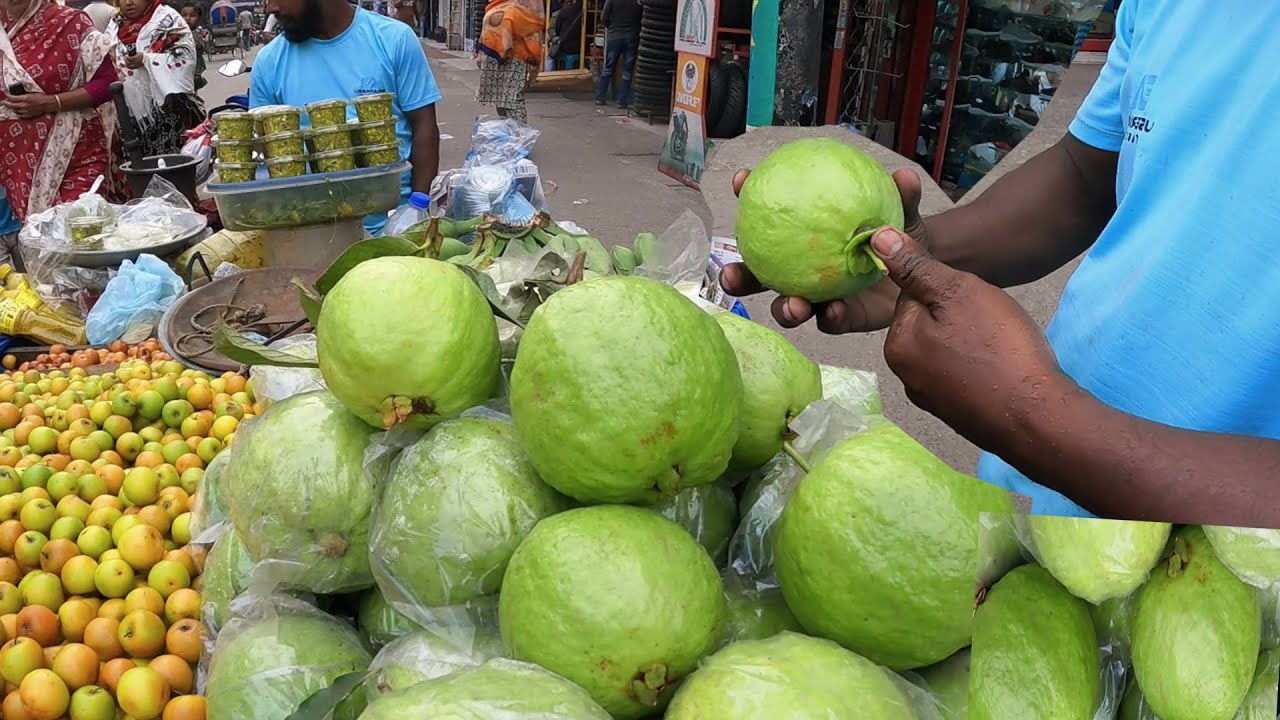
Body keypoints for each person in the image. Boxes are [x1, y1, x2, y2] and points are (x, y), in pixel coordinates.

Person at [721, 2, 1280, 529]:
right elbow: (1084, 178)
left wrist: (1039, 419)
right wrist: (916, 255)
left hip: (1224, 579)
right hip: (1038, 503)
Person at [252, 0, 441, 236]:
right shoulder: (269, 62)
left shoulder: (393, 39)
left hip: (392, 225)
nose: (271, 8)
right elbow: (263, 155)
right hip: (310, 229)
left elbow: (424, 126)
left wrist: (417, 209)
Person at [0, 0, 119, 222]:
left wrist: (50, 103)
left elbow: (108, 83)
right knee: (40, 238)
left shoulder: (69, 22)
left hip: (76, 151)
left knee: (78, 230)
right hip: (17, 166)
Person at [110, 0, 205, 161]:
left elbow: (185, 58)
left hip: (166, 111)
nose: (129, 2)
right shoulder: (115, 24)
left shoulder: (168, 19)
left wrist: (147, 60)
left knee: (168, 167)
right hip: (128, 113)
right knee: (137, 170)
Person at [473, 0, 543, 124]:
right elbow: (484, 29)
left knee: (514, 100)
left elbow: (532, 34)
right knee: (500, 100)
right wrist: (480, 52)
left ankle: (520, 136)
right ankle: (508, 134)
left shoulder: (521, 7)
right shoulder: (495, 5)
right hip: (492, 60)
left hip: (515, 60)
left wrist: (534, 61)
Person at [595, 0, 638, 108]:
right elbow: (641, 18)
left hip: (614, 37)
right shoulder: (638, 1)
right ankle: (621, 100)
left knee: (609, 68)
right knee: (627, 71)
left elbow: (604, 17)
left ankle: (600, 97)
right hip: (631, 37)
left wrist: (612, 27)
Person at [179, 3, 208, 91]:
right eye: (184, 15)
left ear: (198, 19)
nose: (187, 18)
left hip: (192, 73)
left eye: (192, 16)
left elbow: (199, 51)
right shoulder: (176, 33)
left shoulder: (196, 34)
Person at [550, 0, 581, 71]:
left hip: (565, 45)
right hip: (576, 47)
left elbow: (557, 28)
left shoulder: (562, 13)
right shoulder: (583, 13)